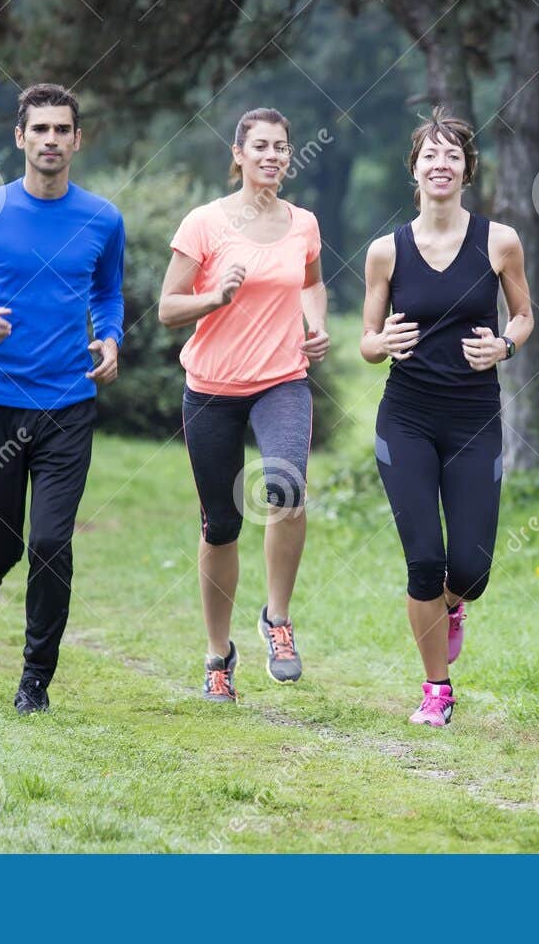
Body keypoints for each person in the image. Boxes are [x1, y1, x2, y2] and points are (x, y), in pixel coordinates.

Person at [0, 82, 125, 715]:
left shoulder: (103, 219)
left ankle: (36, 677)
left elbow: (108, 294)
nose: (51, 141)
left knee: (51, 543)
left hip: (68, 404)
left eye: (63, 130)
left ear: (77, 140)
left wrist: (112, 339)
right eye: (40, 130)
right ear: (20, 138)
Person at [361, 107, 534, 728]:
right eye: (430, 155)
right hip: (405, 417)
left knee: (471, 568)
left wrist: (505, 347)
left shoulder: (499, 241)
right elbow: (365, 339)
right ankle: (437, 689)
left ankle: (453, 606)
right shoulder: (386, 251)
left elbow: (524, 317)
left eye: (452, 155)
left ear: (466, 171)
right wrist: (380, 344)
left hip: (473, 419)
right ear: (415, 169)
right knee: (424, 562)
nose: (441, 164)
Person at [158, 108, 330, 703]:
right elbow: (167, 308)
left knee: (286, 490)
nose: (272, 156)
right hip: (211, 388)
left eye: (281, 147)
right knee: (221, 524)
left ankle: (277, 620)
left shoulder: (303, 223)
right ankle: (217, 655)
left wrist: (316, 324)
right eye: (260, 146)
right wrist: (214, 296)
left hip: (281, 380)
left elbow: (310, 280)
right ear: (238, 154)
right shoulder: (205, 224)